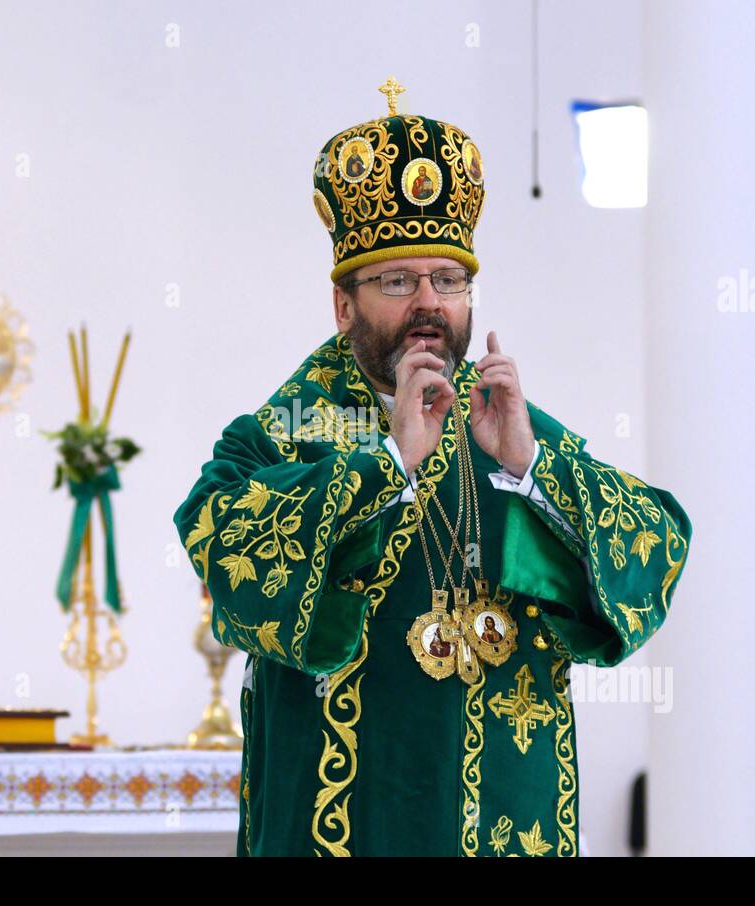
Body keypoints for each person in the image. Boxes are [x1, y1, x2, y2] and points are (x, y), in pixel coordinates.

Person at [173, 79, 692, 857]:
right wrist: (388, 463)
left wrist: (532, 469)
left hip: (504, 818)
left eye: (448, 280)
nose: (429, 302)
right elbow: (219, 537)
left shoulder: (514, 430)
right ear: (344, 306)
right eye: (396, 280)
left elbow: (657, 547)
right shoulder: (282, 433)